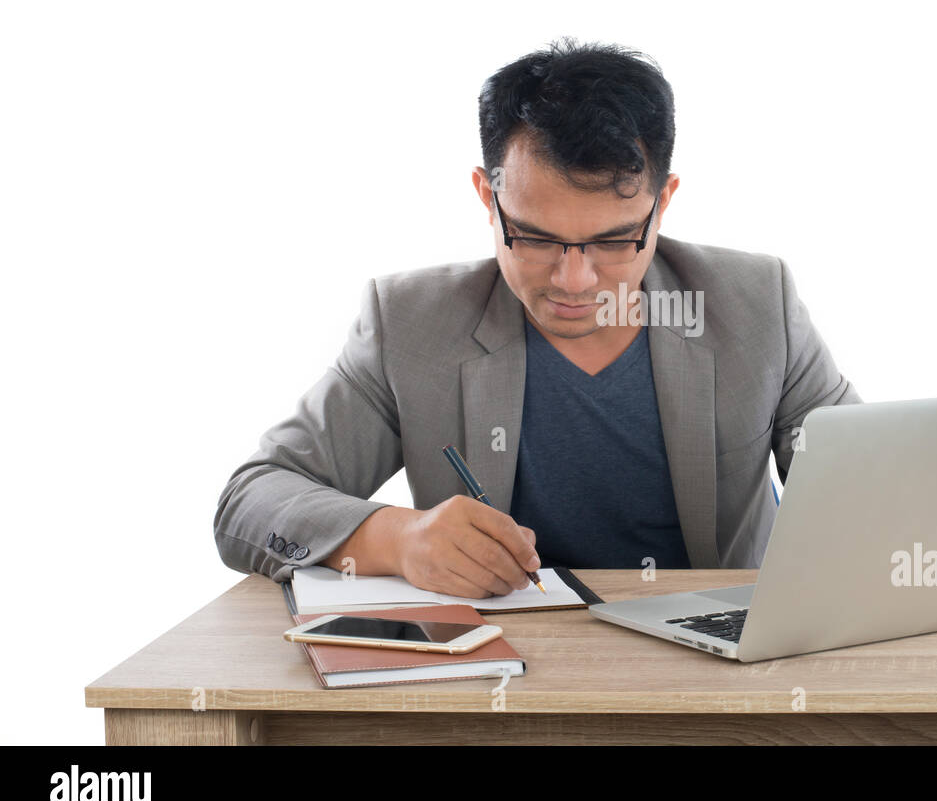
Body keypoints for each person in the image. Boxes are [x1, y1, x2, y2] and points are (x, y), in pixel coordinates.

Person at [214, 37, 860, 597]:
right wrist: (399, 538)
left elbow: (872, 486)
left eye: (613, 240)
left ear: (663, 203)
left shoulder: (755, 304)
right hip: (503, 683)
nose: (574, 279)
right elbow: (250, 500)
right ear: (485, 196)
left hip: (722, 684)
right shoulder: (409, 325)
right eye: (535, 236)